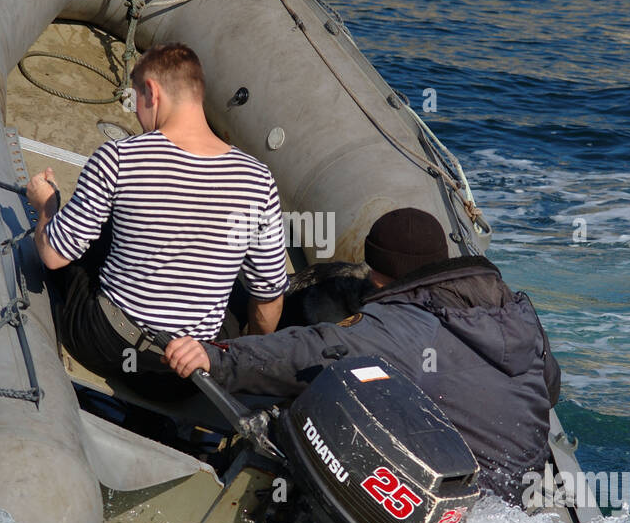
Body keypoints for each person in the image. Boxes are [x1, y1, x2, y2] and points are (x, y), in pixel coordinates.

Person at [163, 207, 561, 502]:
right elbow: (550, 388)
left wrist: (216, 358)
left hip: (460, 498)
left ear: (376, 273)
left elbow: (311, 351)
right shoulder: (515, 308)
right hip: (523, 491)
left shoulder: (404, 325)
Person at [28, 42, 288, 397]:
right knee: (242, 291)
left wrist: (47, 205)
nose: (135, 112)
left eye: (134, 98)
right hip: (188, 377)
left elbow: (53, 255)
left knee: (76, 249)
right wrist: (235, 360)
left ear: (151, 91)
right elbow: (269, 297)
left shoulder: (119, 157)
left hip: (111, 347)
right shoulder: (258, 180)